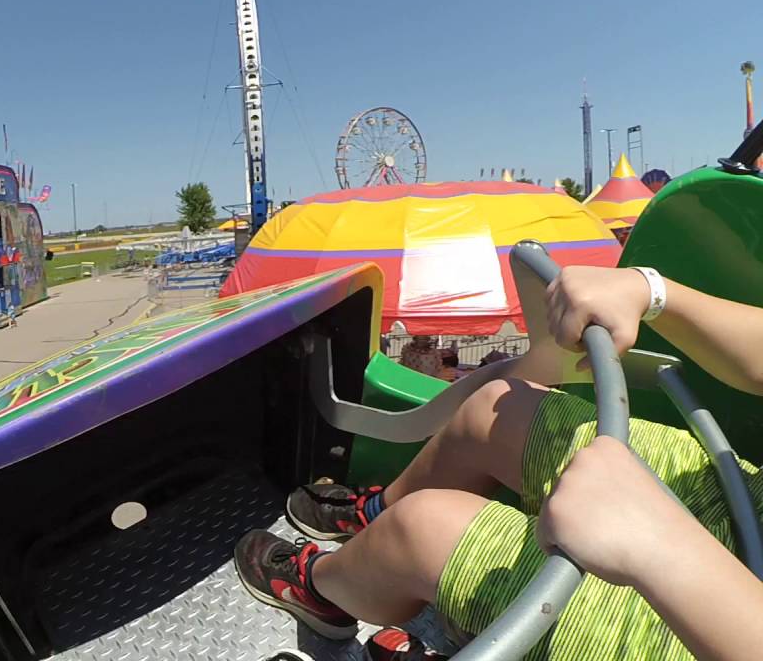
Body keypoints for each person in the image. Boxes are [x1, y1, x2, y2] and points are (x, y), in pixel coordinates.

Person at [235, 265, 763, 660]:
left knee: (423, 529)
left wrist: (666, 547)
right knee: (494, 410)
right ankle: (374, 517)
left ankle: (324, 589)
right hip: (745, 501)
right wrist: (652, 290)